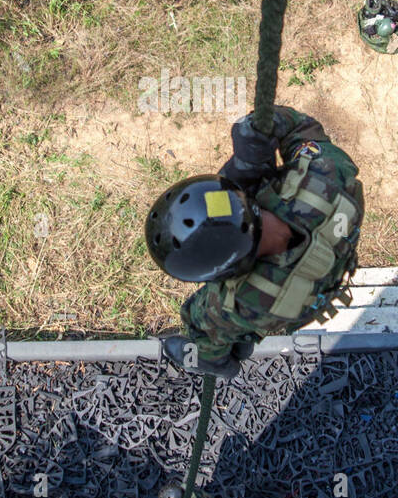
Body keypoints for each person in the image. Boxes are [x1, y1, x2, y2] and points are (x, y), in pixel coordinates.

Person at [147, 107, 363, 378]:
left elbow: (201, 328)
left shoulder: (244, 303)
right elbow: (300, 129)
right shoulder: (327, 173)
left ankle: (221, 362)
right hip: (332, 261)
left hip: (293, 303)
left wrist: (204, 356)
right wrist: (256, 127)